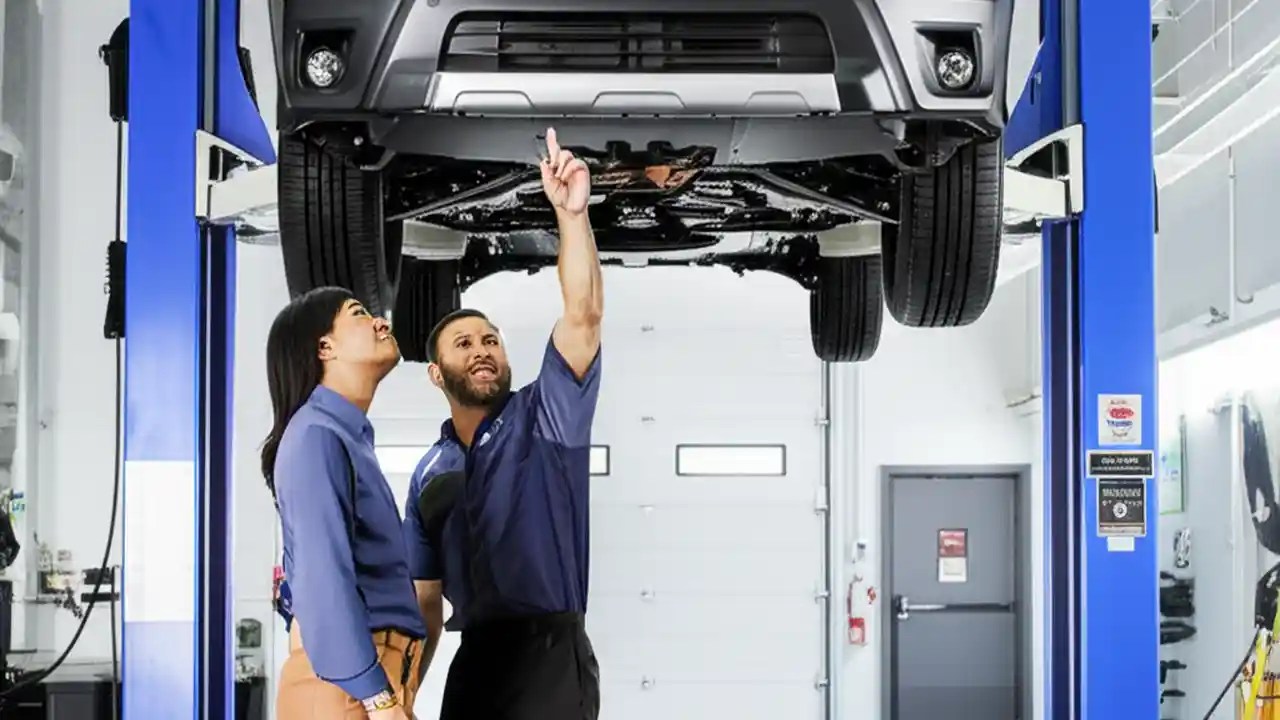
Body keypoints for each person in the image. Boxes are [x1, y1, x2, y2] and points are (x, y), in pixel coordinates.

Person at [403, 127, 604, 720]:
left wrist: (572, 216)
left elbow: (583, 316)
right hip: (476, 661)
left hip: (549, 656)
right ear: (438, 374)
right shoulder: (428, 474)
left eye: (491, 340)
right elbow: (424, 601)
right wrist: (405, 696)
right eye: (463, 344)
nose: (482, 349)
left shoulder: (546, 416)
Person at [264, 287, 432, 720]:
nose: (381, 322)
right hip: (350, 692)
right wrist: (376, 698)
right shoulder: (317, 435)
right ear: (325, 347)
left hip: (367, 683)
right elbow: (324, 579)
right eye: (360, 314)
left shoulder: (345, 435)